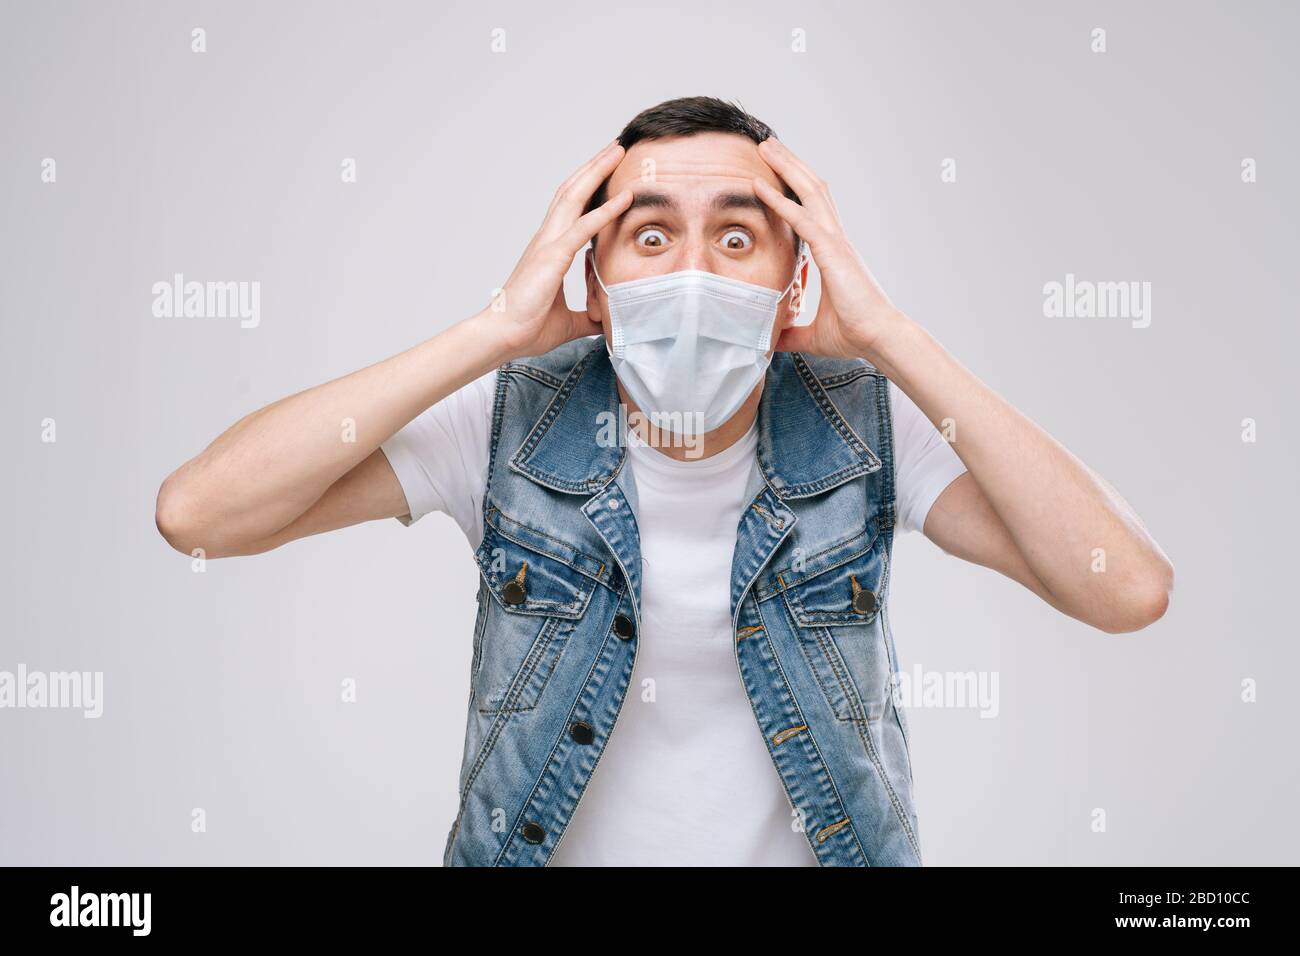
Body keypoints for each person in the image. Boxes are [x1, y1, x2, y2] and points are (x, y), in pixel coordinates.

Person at [155, 96, 1174, 867]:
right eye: (649, 236)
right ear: (593, 279)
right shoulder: (513, 419)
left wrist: (889, 336)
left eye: (738, 237)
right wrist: (495, 330)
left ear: (793, 281)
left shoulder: (862, 421)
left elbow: (1123, 586)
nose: (693, 274)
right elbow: (199, 511)